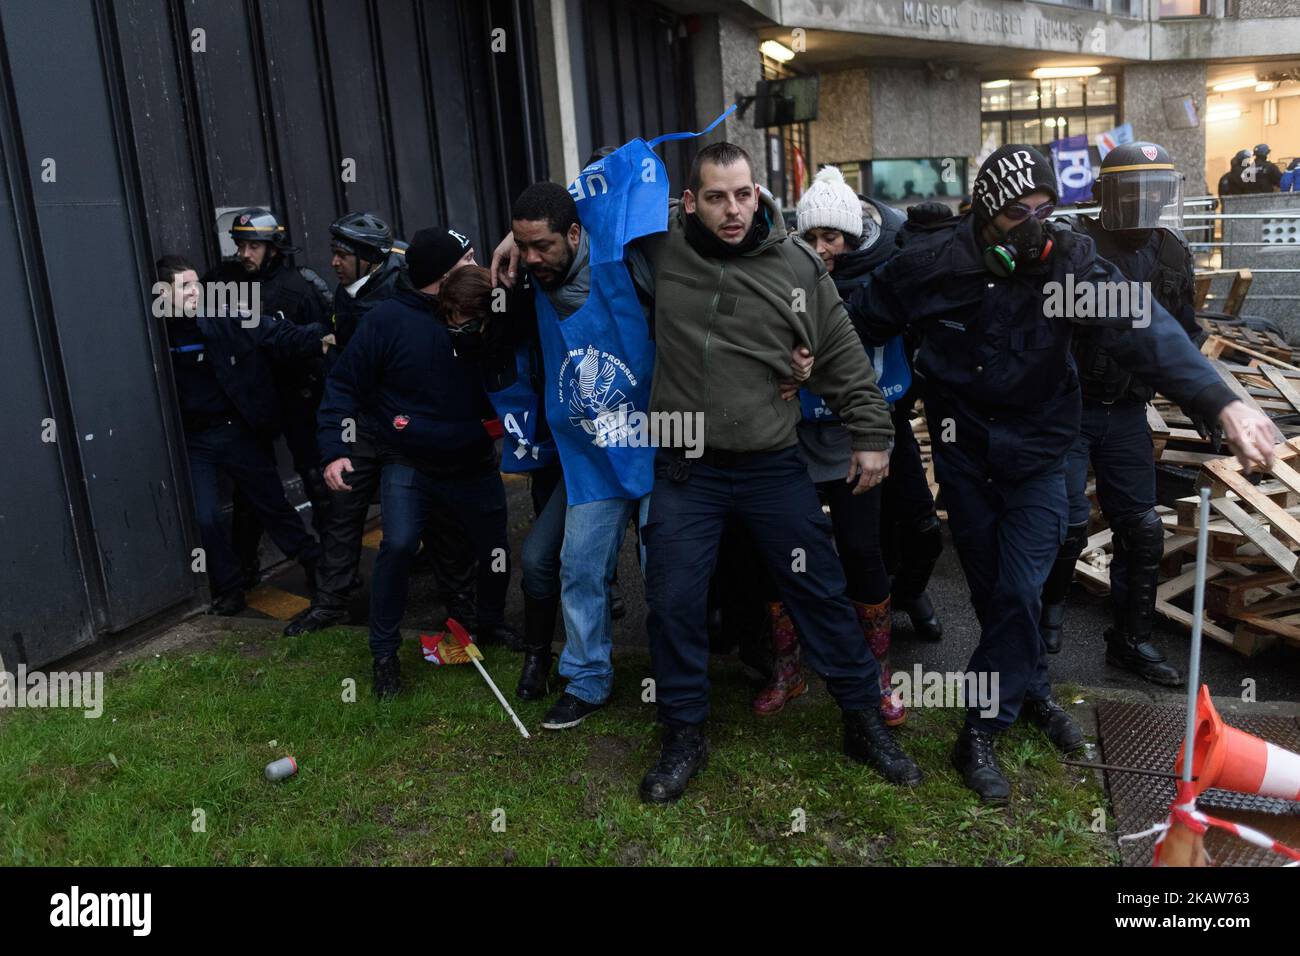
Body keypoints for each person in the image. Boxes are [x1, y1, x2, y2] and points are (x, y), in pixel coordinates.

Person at [846, 143, 1276, 803]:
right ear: (986, 211)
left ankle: (979, 733)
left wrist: (1223, 399)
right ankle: (1035, 691)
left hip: (1045, 454)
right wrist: (823, 374)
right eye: (1019, 212)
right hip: (966, 459)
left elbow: (1146, 328)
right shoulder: (929, 267)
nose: (1035, 225)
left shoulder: (1070, 265)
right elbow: (858, 325)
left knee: (1022, 590)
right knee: (995, 597)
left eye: (1047, 209)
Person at [636, 142, 921, 803]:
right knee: (672, 599)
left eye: (742, 194)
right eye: (715, 197)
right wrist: (510, 238)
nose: (732, 210)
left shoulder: (795, 262)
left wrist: (872, 434)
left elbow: (843, 352)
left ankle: (861, 721)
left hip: (770, 465)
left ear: (758, 192)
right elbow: (585, 214)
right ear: (691, 203)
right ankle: (682, 733)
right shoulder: (659, 251)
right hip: (687, 469)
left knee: (820, 592)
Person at [750, 164, 939, 725]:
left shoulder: (886, 279)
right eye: (809, 236)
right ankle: (789, 667)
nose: (820, 248)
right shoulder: (778, 272)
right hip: (790, 439)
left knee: (864, 551)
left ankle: (875, 674)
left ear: (854, 237)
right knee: (782, 556)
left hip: (861, 438)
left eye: (830, 236)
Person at [317, 228, 516, 699]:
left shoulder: (488, 305)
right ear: (443, 275)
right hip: (411, 463)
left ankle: (488, 628)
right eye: (467, 257)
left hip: (473, 462)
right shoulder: (386, 320)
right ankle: (383, 653)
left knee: (493, 549)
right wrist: (335, 448)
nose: (477, 262)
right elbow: (343, 385)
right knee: (400, 545)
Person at [1038, 142, 1201, 685]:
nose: (1146, 203)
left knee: (1143, 527)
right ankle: (1042, 620)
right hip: (1070, 409)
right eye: (1135, 191)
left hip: (1128, 412)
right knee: (1065, 524)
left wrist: (1202, 400)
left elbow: (1185, 335)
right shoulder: (1075, 246)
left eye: (1157, 192)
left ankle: (1130, 642)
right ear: (1107, 193)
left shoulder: (1173, 254)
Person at [157, 255, 330, 614]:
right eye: (185, 286)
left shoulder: (221, 317)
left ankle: (316, 566)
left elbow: (274, 331)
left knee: (272, 505)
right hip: (195, 442)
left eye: (196, 283)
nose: (196, 291)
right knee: (206, 517)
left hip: (236, 432)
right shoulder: (156, 334)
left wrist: (320, 337)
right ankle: (230, 588)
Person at [438, 265, 567, 702]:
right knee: (557, 562)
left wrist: (513, 246)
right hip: (545, 467)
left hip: (581, 461)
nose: (461, 334)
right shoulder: (475, 355)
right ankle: (549, 658)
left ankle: (546, 659)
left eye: (468, 323)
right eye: (452, 325)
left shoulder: (533, 330)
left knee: (538, 558)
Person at [209, 208, 332, 589]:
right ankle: (245, 569)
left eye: (254, 246)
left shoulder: (300, 287)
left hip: (299, 395)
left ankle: (332, 567)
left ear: (274, 248)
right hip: (249, 401)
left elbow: (325, 344)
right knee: (252, 488)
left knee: (317, 481)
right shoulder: (222, 283)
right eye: (241, 245)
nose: (245, 253)